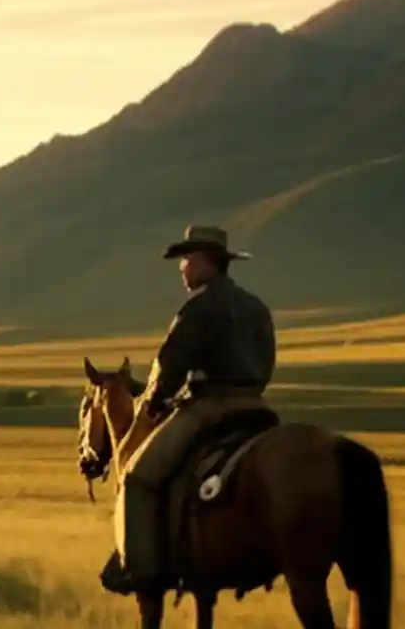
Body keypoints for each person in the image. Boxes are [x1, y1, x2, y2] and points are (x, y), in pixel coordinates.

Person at [100, 225, 276, 595]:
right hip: (257, 408)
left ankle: (138, 569)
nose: (182, 268)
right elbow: (267, 360)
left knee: (136, 477)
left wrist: (154, 399)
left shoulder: (200, 307)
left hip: (211, 407)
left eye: (186, 260)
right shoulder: (256, 307)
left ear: (205, 262)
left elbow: (170, 362)